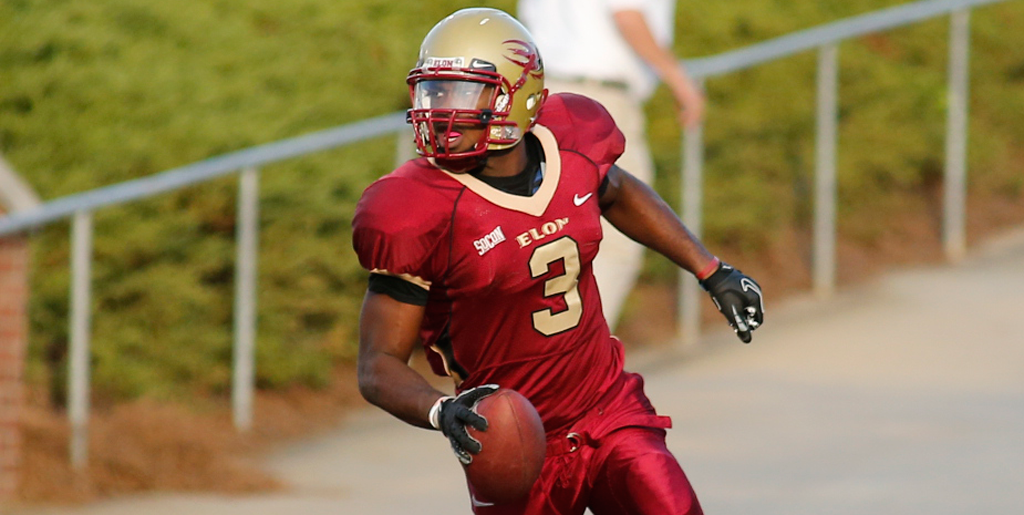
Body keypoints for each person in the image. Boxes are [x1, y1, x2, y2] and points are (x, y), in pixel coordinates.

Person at [352, 8, 763, 514]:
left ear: (517, 96)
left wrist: (710, 269)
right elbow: (378, 364)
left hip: (607, 408)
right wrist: (441, 410)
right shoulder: (414, 207)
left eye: (462, 92)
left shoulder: (571, 139)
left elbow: (615, 190)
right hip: (514, 442)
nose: (441, 110)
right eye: (434, 92)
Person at [518, 0, 706, 329]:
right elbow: (627, 15)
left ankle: (535, 353)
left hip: (542, 92)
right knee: (621, 235)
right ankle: (577, 355)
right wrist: (680, 81)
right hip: (594, 102)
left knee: (541, 233)